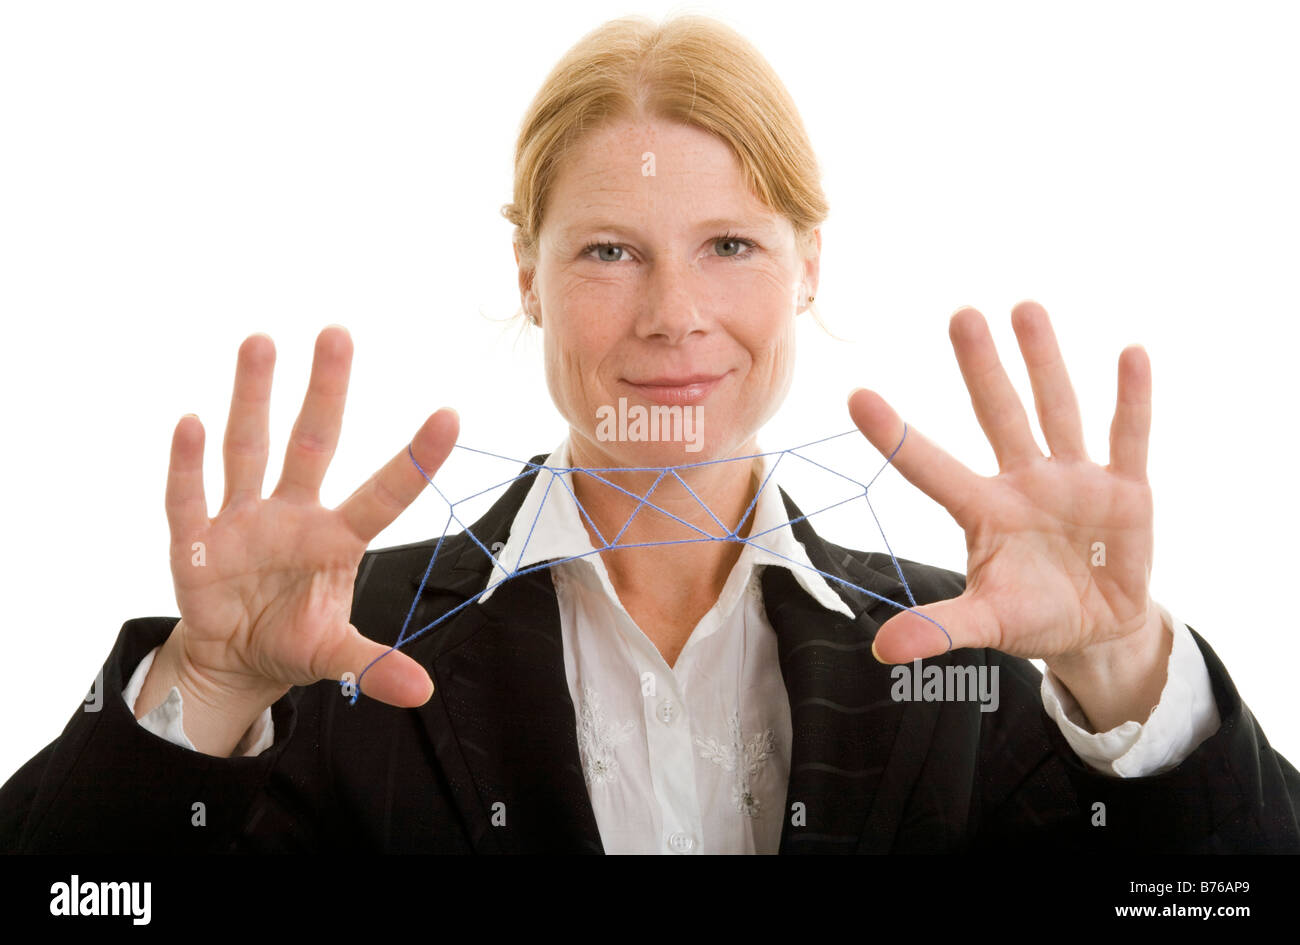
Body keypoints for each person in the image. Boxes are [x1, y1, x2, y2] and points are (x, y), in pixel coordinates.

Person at [1, 13, 1297, 855]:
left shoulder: (977, 662)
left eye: (730, 245)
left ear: (807, 267)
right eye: (611, 251)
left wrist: (1128, 662)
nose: (676, 317)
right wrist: (213, 688)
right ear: (530, 274)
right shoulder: (338, 655)